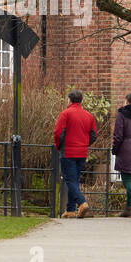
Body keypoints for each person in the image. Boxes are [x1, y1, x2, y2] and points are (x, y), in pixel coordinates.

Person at [53, 90, 97, 218]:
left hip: (68, 151)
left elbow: (57, 132)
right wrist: (84, 144)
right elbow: (94, 135)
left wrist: (58, 145)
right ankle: (70, 210)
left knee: (69, 179)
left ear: (69, 100)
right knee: (74, 180)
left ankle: (82, 203)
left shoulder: (66, 113)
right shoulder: (88, 115)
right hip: (82, 152)